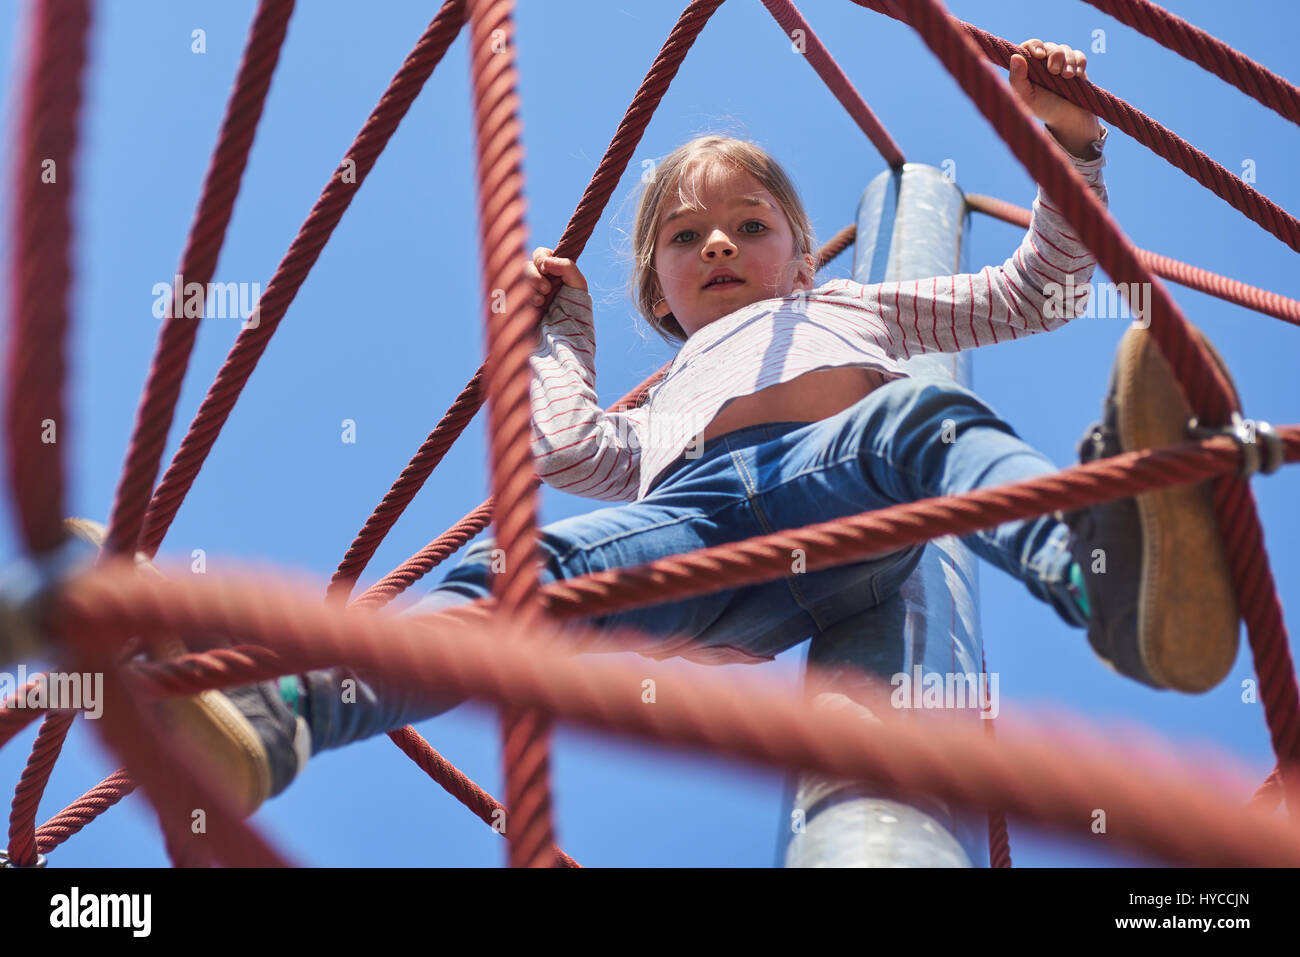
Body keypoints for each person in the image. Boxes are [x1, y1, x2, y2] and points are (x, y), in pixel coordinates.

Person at [78, 39, 1241, 818]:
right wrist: (558, 333)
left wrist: (1064, 144)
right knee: (519, 574)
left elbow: (1039, 289)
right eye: (688, 241)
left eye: (749, 224)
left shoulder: (852, 304)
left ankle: (1109, 585)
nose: (720, 246)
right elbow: (565, 445)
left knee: (930, 417)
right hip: (702, 532)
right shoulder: (670, 388)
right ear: (660, 291)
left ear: (796, 247)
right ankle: (283, 720)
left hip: (863, 480)